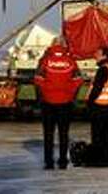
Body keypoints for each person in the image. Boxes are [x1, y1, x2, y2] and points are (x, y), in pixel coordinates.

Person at [34, 36, 82, 170]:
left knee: (48, 134)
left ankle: (49, 162)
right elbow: (78, 79)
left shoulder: (45, 60)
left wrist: (46, 92)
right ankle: (62, 161)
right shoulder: (70, 60)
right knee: (64, 133)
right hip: (65, 103)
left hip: (48, 103)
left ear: (52, 44)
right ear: (64, 45)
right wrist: (70, 93)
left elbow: (38, 79)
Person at [84, 47, 108, 168]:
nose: (95, 55)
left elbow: (97, 88)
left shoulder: (103, 70)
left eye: (98, 54)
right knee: (107, 135)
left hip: (100, 107)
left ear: (104, 56)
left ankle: (98, 160)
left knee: (98, 135)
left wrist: (89, 102)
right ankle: (107, 159)